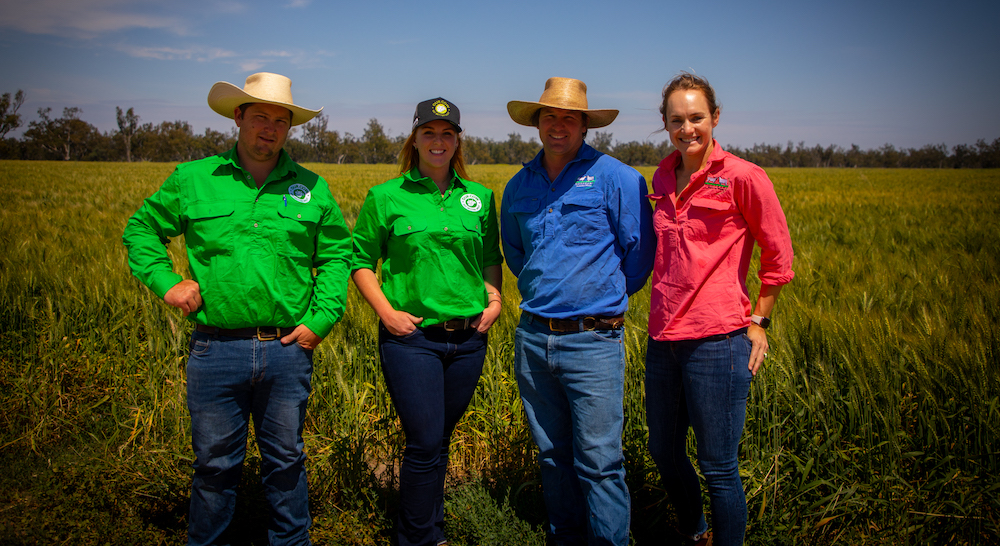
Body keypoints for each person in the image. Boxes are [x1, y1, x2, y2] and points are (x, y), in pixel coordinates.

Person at [122, 72, 353, 546]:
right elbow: (141, 230)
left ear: (289, 128)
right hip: (215, 350)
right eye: (260, 117)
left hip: (288, 349)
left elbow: (335, 256)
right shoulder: (194, 179)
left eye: (280, 120)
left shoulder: (311, 187)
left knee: (286, 460)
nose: (269, 128)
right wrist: (167, 284)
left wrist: (321, 320)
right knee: (213, 463)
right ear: (238, 117)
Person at [500, 77, 655, 546]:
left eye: (570, 117)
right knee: (551, 455)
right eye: (551, 116)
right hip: (533, 339)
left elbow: (639, 253)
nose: (559, 125)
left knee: (600, 461)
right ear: (537, 123)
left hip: (593, 343)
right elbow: (515, 254)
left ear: (586, 125)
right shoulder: (518, 185)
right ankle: (564, 537)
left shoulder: (617, 178)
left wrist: (598, 303)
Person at [645, 73, 795, 546]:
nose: (687, 128)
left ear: (714, 118)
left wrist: (761, 321)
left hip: (719, 341)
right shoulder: (663, 175)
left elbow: (778, 255)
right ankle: (695, 531)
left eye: (696, 117)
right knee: (664, 452)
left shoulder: (744, 176)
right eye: (677, 120)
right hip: (663, 338)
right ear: (665, 123)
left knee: (718, 466)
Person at [351, 97, 503, 546]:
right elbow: (360, 260)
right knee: (422, 443)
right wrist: (386, 313)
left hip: (469, 340)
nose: (438, 141)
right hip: (411, 340)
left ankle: (431, 531)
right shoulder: (386, 196)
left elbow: (491, 257)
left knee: (439, 440)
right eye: (429, 133)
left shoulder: (479, 198)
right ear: (414, 139)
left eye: (447, 133)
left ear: (457, 141)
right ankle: (416, 539)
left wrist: (494, 300)